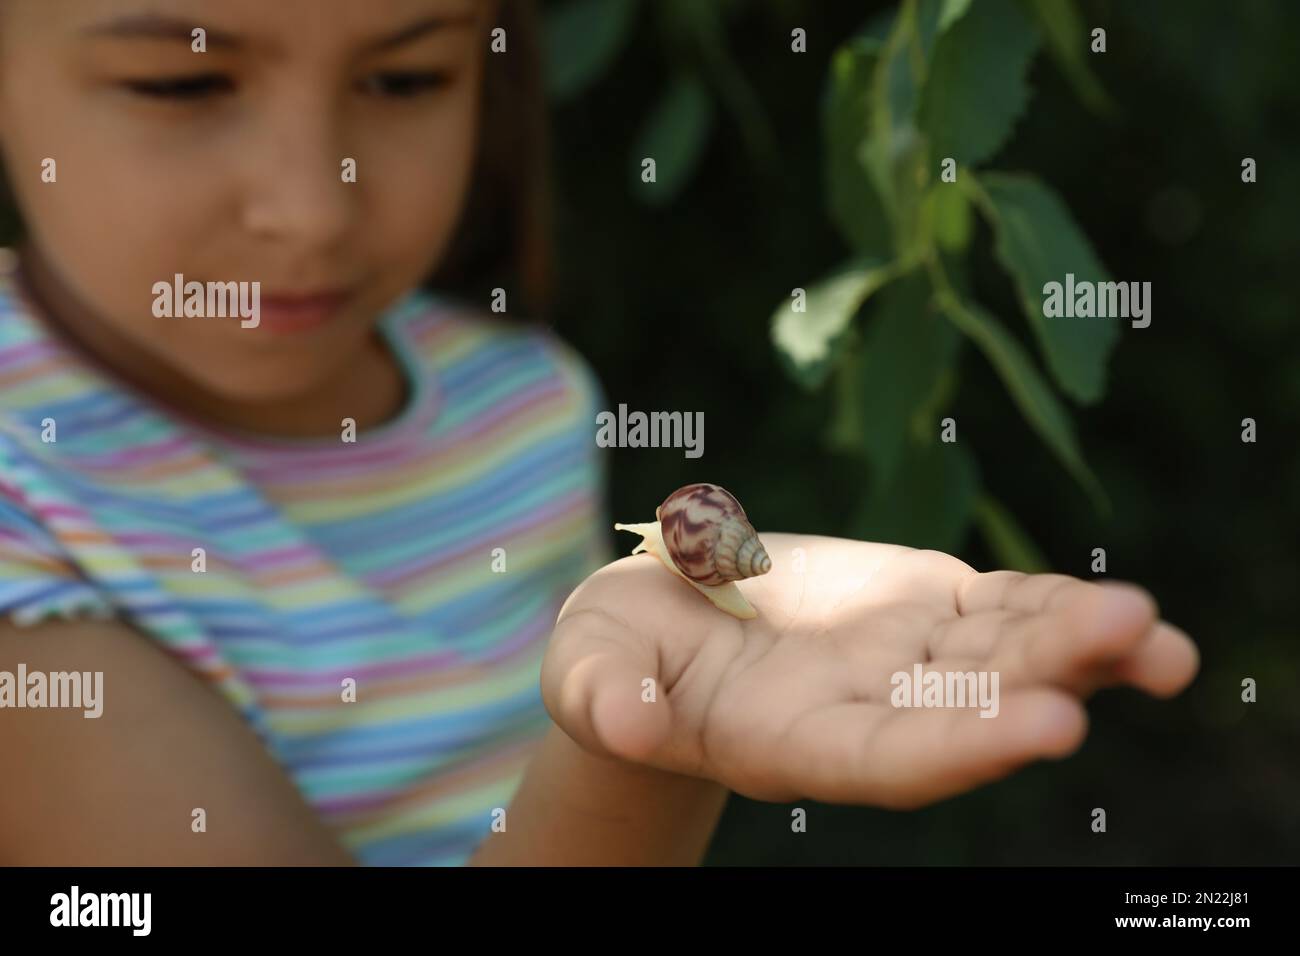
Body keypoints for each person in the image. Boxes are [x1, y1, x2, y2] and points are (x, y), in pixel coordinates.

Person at [0, 0, 1199, 866]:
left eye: (408, 76)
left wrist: (654, 686)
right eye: (183, 82)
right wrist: (646, 746)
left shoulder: (519, 398)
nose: (310, 206)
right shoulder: (24, 495)